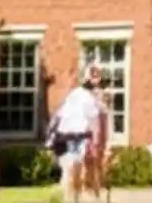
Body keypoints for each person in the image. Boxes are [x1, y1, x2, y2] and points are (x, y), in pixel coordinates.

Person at [50, 63, 109, 203]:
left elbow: (58, 116)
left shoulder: (77, 96)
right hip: (74, 139)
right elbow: (96, 126)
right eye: (94, 75)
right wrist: (97, 146)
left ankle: (83, 197)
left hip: (69, 139)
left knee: (76, 176)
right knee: (77, 175)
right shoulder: (87, 98)